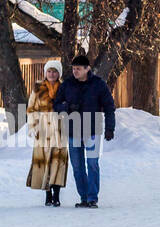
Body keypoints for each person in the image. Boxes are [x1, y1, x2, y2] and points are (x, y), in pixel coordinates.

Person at [53, 54, 115, 209]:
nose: (75, 71)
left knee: (92, 163)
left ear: (87, 69)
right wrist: (66, 107)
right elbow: (56, 104)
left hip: (92, 129)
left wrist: (109, 128)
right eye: (73, 69)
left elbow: (109, 107)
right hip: (73, 130)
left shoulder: (98, 84)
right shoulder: (67, 84)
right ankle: (84, 197)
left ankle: (92, 197)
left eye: (78, 69)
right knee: (77, 166)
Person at [27, 59, 68, 207]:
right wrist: (34, 127)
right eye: (49, 71)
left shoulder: (64, 88)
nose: (52, 74)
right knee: (45, 163)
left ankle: (56, 196)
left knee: (58, 162)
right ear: (45, 73)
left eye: (55, 71)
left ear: (59, 73)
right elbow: (31, 108)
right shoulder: (38, 88)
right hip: (43, 130)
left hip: (60, 130)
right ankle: (48, 195)